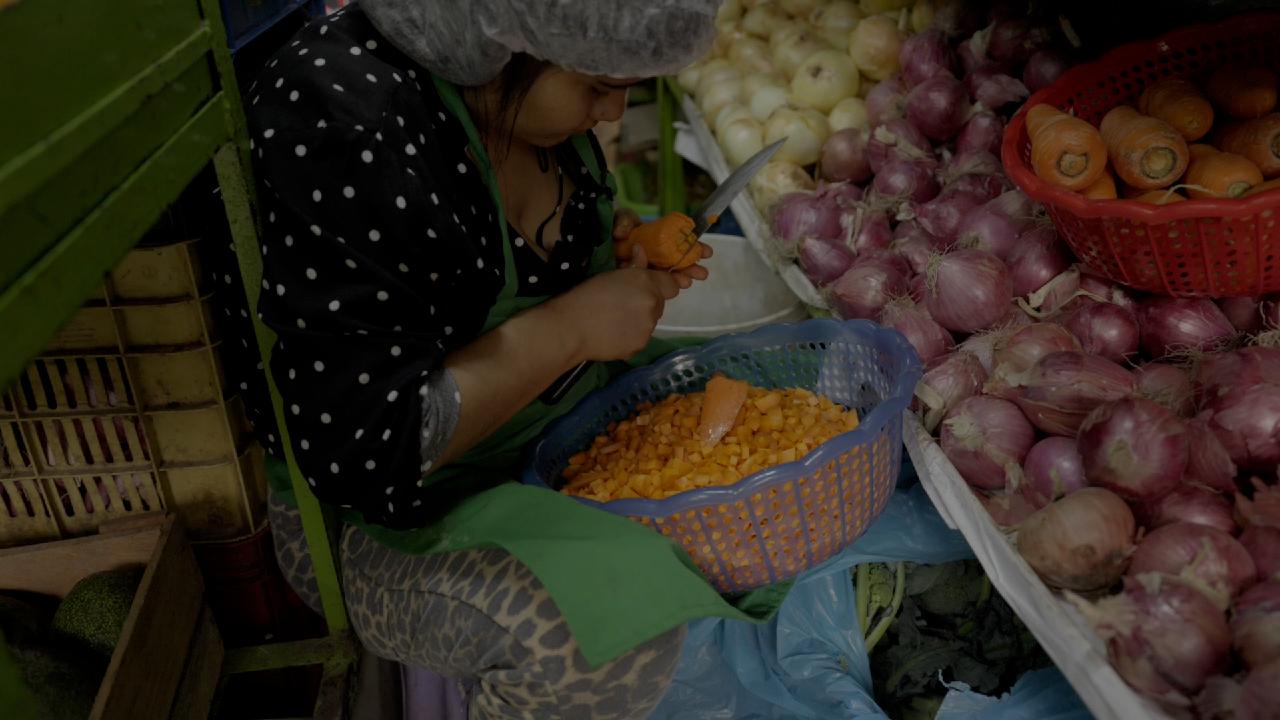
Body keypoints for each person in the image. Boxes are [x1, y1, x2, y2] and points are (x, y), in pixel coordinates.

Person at [244, 1, 789, 718]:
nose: (610, 113)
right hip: (391, 517)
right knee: (603, 641)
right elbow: (365, 453)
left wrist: (621, 242)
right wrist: (570, 327)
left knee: (777, 439)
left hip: (551, 430)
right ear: (498, 36)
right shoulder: (349, 117)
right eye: (596, 85)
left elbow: (500, 258)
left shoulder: (525, 93)